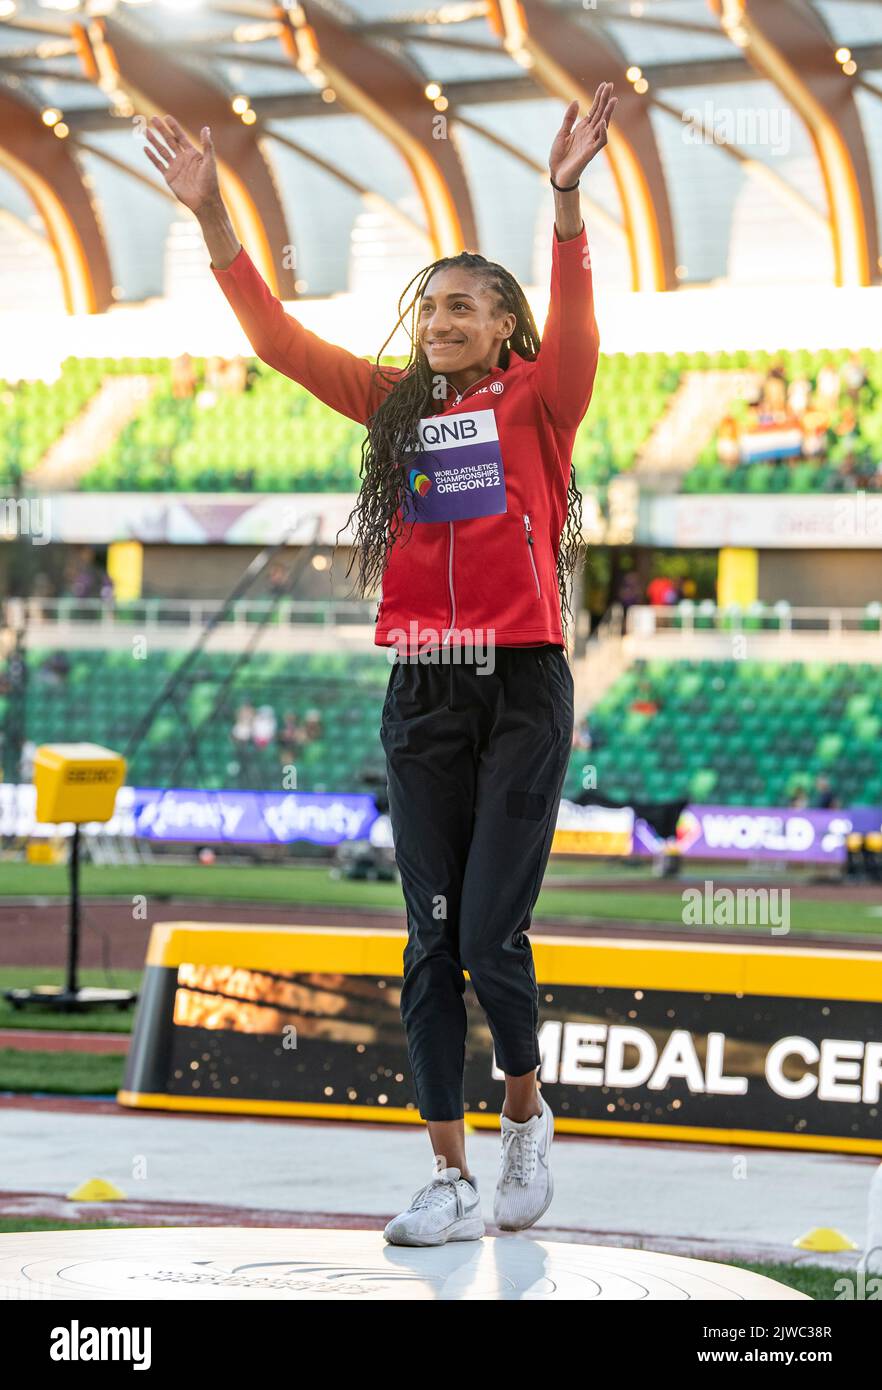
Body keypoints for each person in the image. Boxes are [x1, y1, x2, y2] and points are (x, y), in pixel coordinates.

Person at [143, 82, 616, 1246]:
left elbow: (577, 317)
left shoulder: (542, 399)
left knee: (490, 934)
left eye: (465, 306)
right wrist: (213, 218)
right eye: (431, 305)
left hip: (520, 684)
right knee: (429, 942)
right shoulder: (393, 406)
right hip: (423, 689)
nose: (441, 319)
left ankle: (524, 1114)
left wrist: (564, 201)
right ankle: (448, 1178)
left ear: (504, 328)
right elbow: (275, 340)